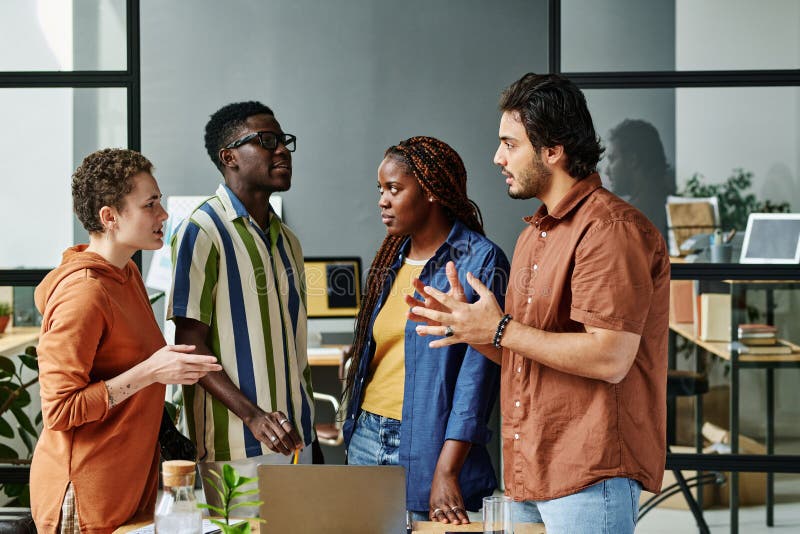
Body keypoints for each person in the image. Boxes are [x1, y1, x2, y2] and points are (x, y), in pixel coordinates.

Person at [409, 74, 670, 533]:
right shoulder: (535, 234)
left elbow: (610, 355)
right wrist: (469, 327)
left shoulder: (610, 230)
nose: (497, 157)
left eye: (510, 144)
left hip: (589, 475)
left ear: (553, 151)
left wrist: (498, 329)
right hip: (530, 470)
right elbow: (526, 350)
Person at [31, 148, 221, 533]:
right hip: (86, 497)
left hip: (132, 485)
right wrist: (151, 372)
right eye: (150, 205)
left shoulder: (126, 275)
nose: (163, 215)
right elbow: (60, 410)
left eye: (160, 202)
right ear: (109, 217)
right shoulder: (83, 295)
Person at [342, 136, 509, 524]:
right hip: (367, 435)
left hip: (431, 445)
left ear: (432, 190)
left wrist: (447, 470)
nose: (382, 200)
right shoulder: (391, 258)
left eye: (394, 189)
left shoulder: (479, 261)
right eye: (381, 190)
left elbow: (477, 381)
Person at [169, 101, 320, 516]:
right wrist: (254, 416)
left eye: (284, 142)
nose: (282, 151)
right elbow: (189, 348)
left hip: (296, 442)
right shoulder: (201, 231)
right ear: (229, 156)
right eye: (266, 141)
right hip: (235, 446)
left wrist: (308, 428)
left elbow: (292, 344)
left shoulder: (288, 240)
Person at [605, 118, 676, 237]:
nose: (606, 171)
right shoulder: (675, 207)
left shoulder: (625, 219)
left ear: (632, 160)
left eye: (612, 159)